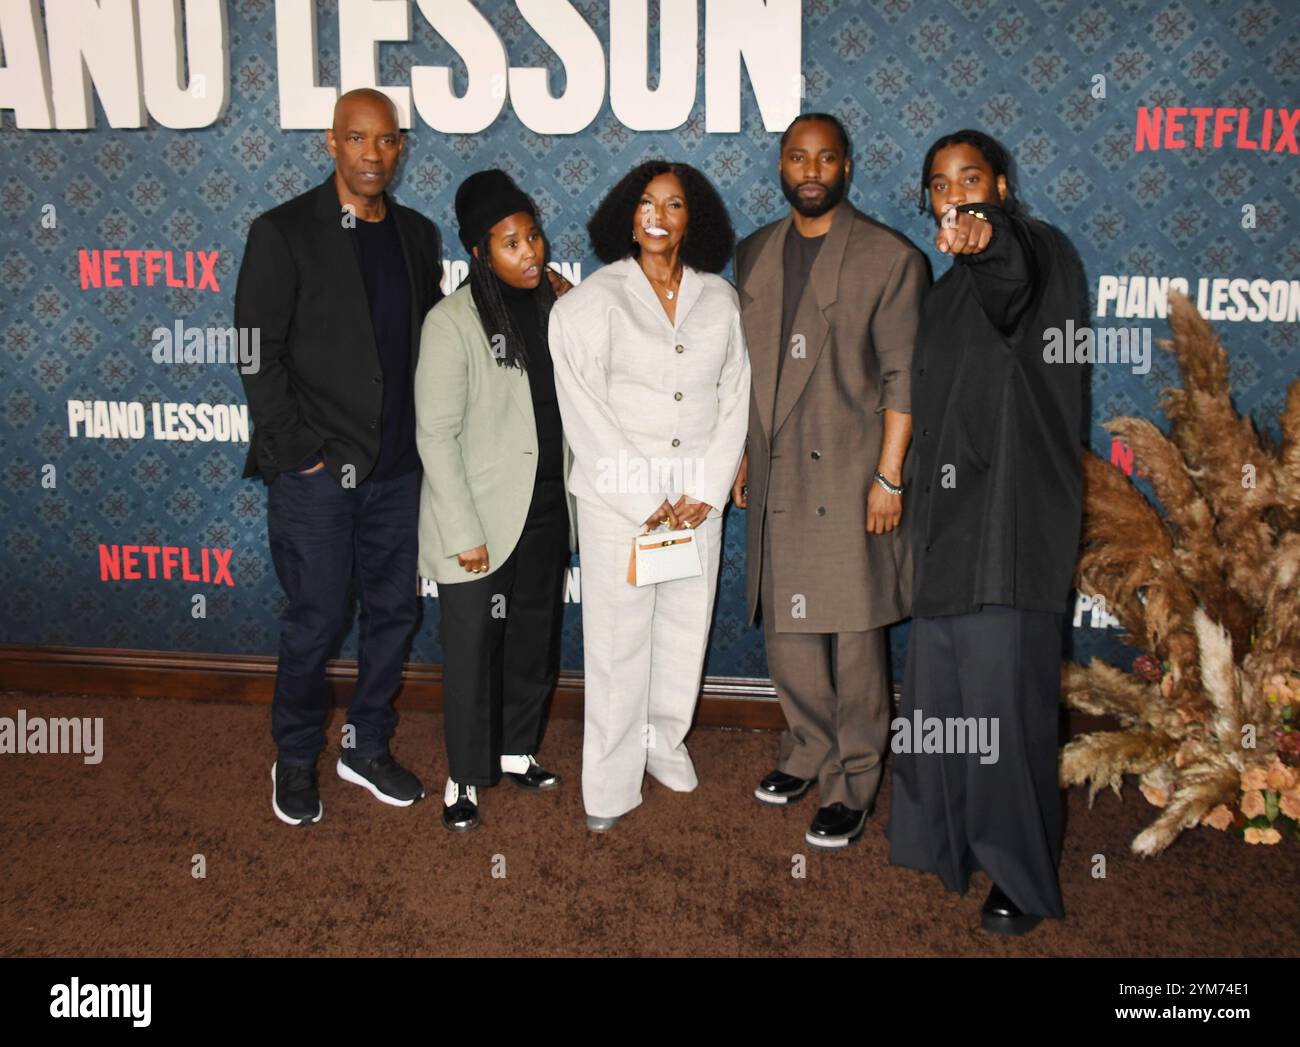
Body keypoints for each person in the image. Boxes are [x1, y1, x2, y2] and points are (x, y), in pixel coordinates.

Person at [886, 129, 1087, 935]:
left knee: (1006, 711)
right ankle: (947, 840)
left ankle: (1018, 872)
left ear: (1001, 187)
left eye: (972, 180)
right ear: (927, 199)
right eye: (941, 186)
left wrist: (986, 234)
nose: (957, 196)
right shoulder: (941, 290)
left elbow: (1010, 265)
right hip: (948, 526)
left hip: (1009, 523)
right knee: (941, 698)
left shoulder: (1037, 251)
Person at [234, 88, 443, 826]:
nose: (373, 155)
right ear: (332, 143)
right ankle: (295, 758)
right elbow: (257, 353)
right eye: (358, 139)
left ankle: (366, 745)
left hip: (398, 474)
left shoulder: (418, 234)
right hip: (318, 480)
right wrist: (299, 457)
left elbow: (429, 342)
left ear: (400, 147)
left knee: (393, 614)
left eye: (387, 141)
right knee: (316, 620)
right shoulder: (284, 231)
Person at [731, 113, 927, 849]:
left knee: (852, 634)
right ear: (781, 166)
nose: (809, 171)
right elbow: (752, 374)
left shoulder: (889, 258)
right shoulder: (753, 252)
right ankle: (806, 748)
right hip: (777, 464)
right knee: (788, 628)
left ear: (847, 166)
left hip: (851, 471)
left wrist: (890, 477)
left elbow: (906, 378)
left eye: (824, 159)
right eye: (795, 158)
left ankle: (853, 777)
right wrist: (746, 453)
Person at [548, 161, 751, 832]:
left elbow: (734, 398)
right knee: (617, 641)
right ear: (625, 214)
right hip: (622, 507)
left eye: (674, 203)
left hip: (695, 503)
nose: (658, 213)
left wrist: (706, 488)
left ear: (696, 219)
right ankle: (607, 780)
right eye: (644, 201)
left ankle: (664, 740)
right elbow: (584, 413)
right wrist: (645, 499)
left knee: (684, 629)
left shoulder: (720, 299)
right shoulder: (590, 302)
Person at [414, 170, 575, 833]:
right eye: (511, 242)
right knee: (475, 648)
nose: (530, 252)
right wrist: (460, 529)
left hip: (544, 508)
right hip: (477, 515)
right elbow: (435, 434)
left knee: (533, 636)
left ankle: (516, 749)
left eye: (533, 236)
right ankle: (464, 774)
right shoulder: (451, 322)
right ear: (480, 251)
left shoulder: (556, 307)